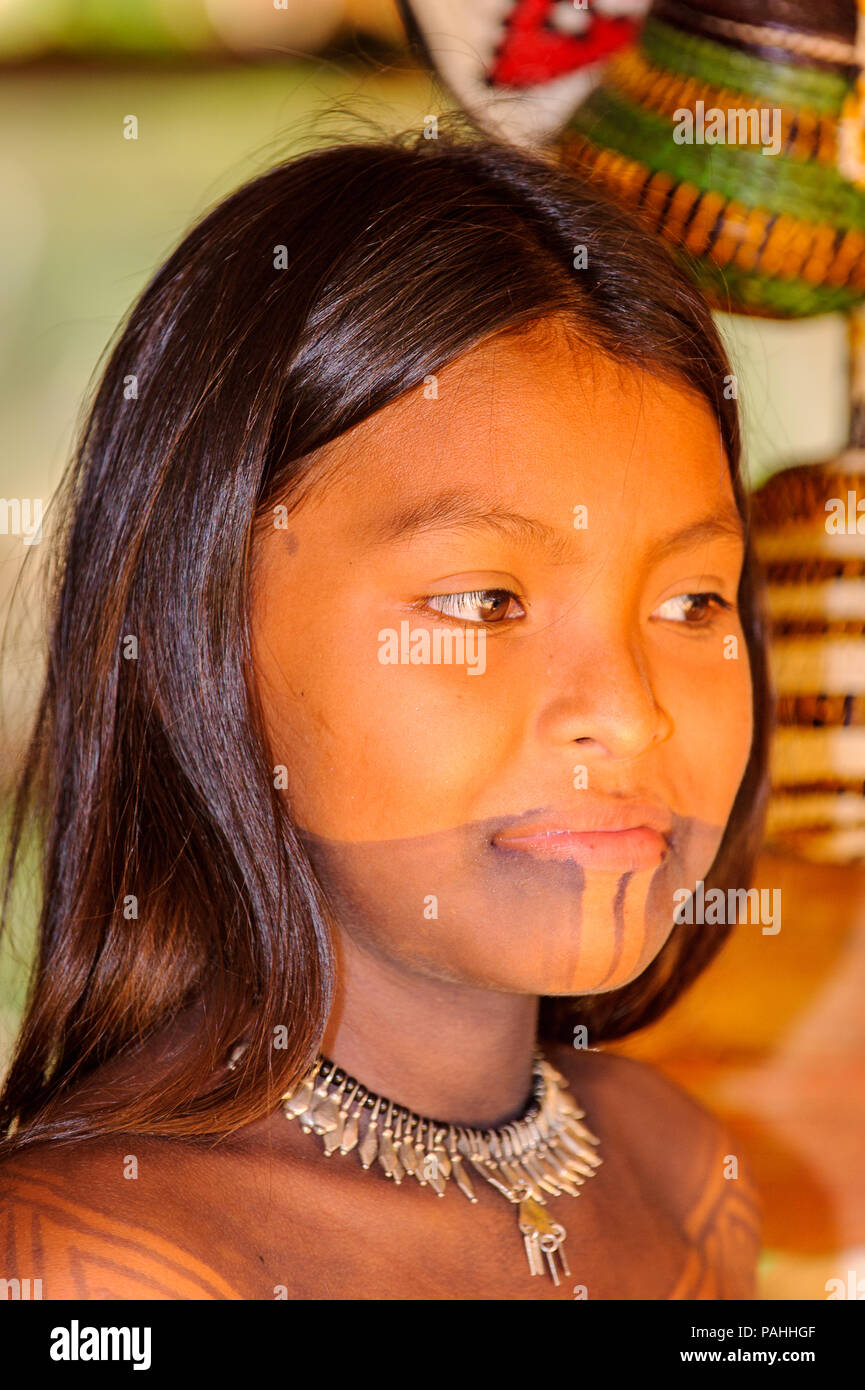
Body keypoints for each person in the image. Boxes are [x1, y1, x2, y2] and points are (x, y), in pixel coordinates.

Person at [0, 130, 769, 1300]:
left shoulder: (688, 1183)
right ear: (206, 625)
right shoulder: (92, 1271)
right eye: (484, 601)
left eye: (691, 599)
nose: (627, 714)